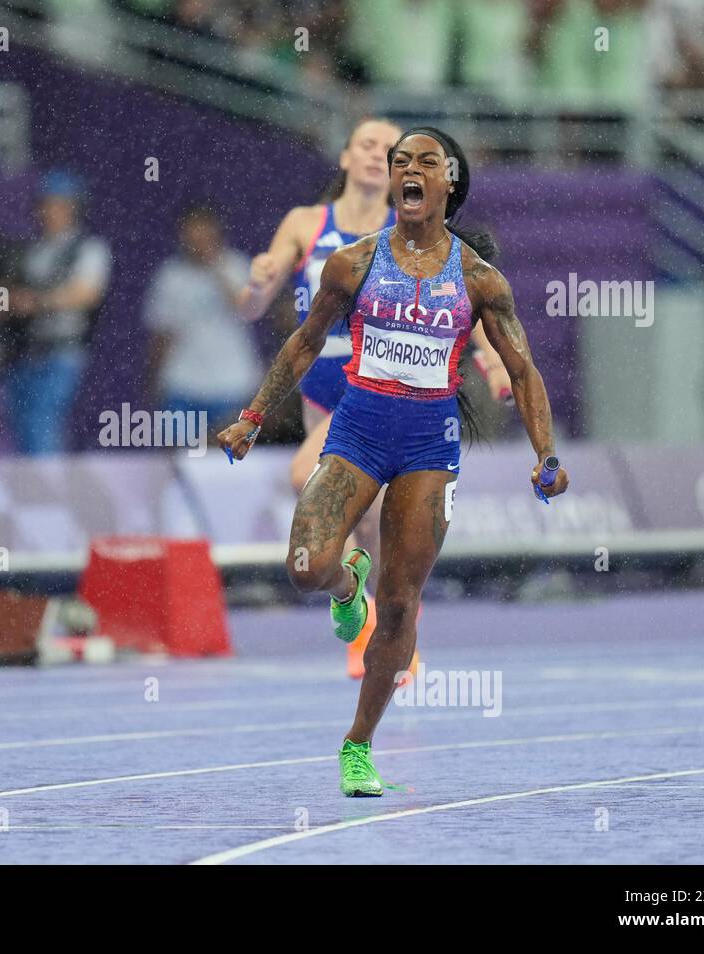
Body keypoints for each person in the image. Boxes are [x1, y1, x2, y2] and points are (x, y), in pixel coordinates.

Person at [218, 127, 568, 796]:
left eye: (423, 162)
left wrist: (546, 455)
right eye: (398, 160)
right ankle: (347, 585)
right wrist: (253, 417)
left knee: (403, 605)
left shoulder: (478, 278)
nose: (407, 169)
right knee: (304, 568)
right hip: (356, 430)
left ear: (447, 184)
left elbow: (521, 371)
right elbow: (302, 344)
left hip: (428, 448)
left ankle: (357, 746)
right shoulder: (351, 262)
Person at [237, 115, 513, 678]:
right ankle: (383, 633)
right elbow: (250, 308)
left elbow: (465, 301)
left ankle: (387, 630)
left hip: (378, 384)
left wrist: (488, 357)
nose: (374, 156)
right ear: (344, 157)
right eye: (365, 145)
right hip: (321, 390)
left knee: (303, 477)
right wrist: (258, 281)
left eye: (388, 151)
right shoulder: (306, 223)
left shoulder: (408, 233)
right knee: (371, 523)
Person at [2, 171, 111, 455]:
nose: (51, 213)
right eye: (48, 205)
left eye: (60, 205)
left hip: (63, 348)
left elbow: (86, 293)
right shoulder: (32, 250)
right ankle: (31, 487)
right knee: (23, 424)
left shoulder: (88, 248)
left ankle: (47, 488)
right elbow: (4, 295)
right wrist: (6, 303)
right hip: (24, 350)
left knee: (43, 422)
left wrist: (36, 302)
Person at [145, 201, 258, 429]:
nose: (198, 238)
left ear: (216, 232)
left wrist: (214, 267)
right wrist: (153, 379)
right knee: (179, 459)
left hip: (232, 384)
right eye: (191, 231)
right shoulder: (171, 276)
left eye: (204, 230)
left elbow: (246, 308)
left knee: (230, 459)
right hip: (181, 384)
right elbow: (163, 335)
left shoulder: (236, 266)